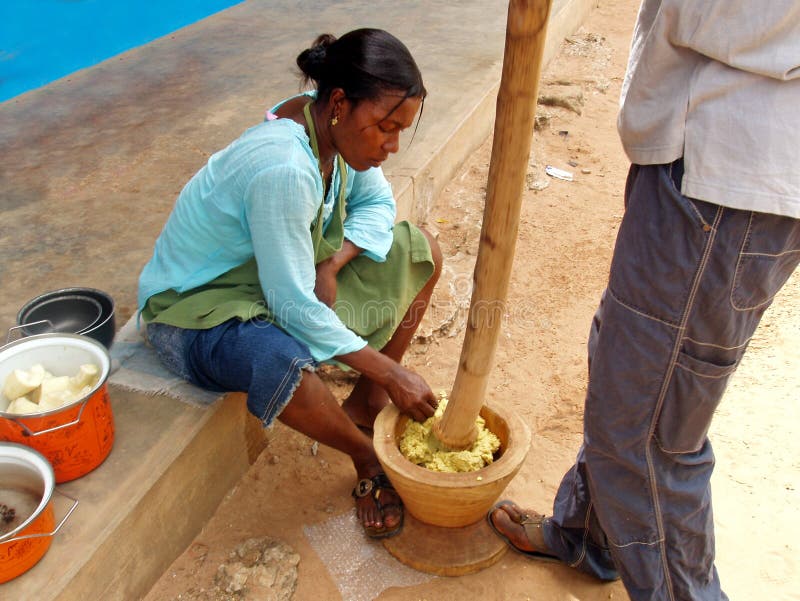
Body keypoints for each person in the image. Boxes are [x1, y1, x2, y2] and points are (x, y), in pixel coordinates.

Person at [488, 2, 800, 599]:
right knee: (627, 368)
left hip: (725, 174)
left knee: (646, 435)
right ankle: (589, 534)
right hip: (705, 154)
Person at [137, 28, 443, 540]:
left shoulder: (333, 130)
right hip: (195, 311)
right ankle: (367, 459)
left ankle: (366, 401)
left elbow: (378, 205)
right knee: (278, 357)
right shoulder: (284, 166)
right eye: (385, 128)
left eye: (400, 131)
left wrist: (332, 263)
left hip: (276, 280)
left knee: (420, 251)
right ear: (341, 102)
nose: (390, 146)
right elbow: (294, 305)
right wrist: (392, 371)